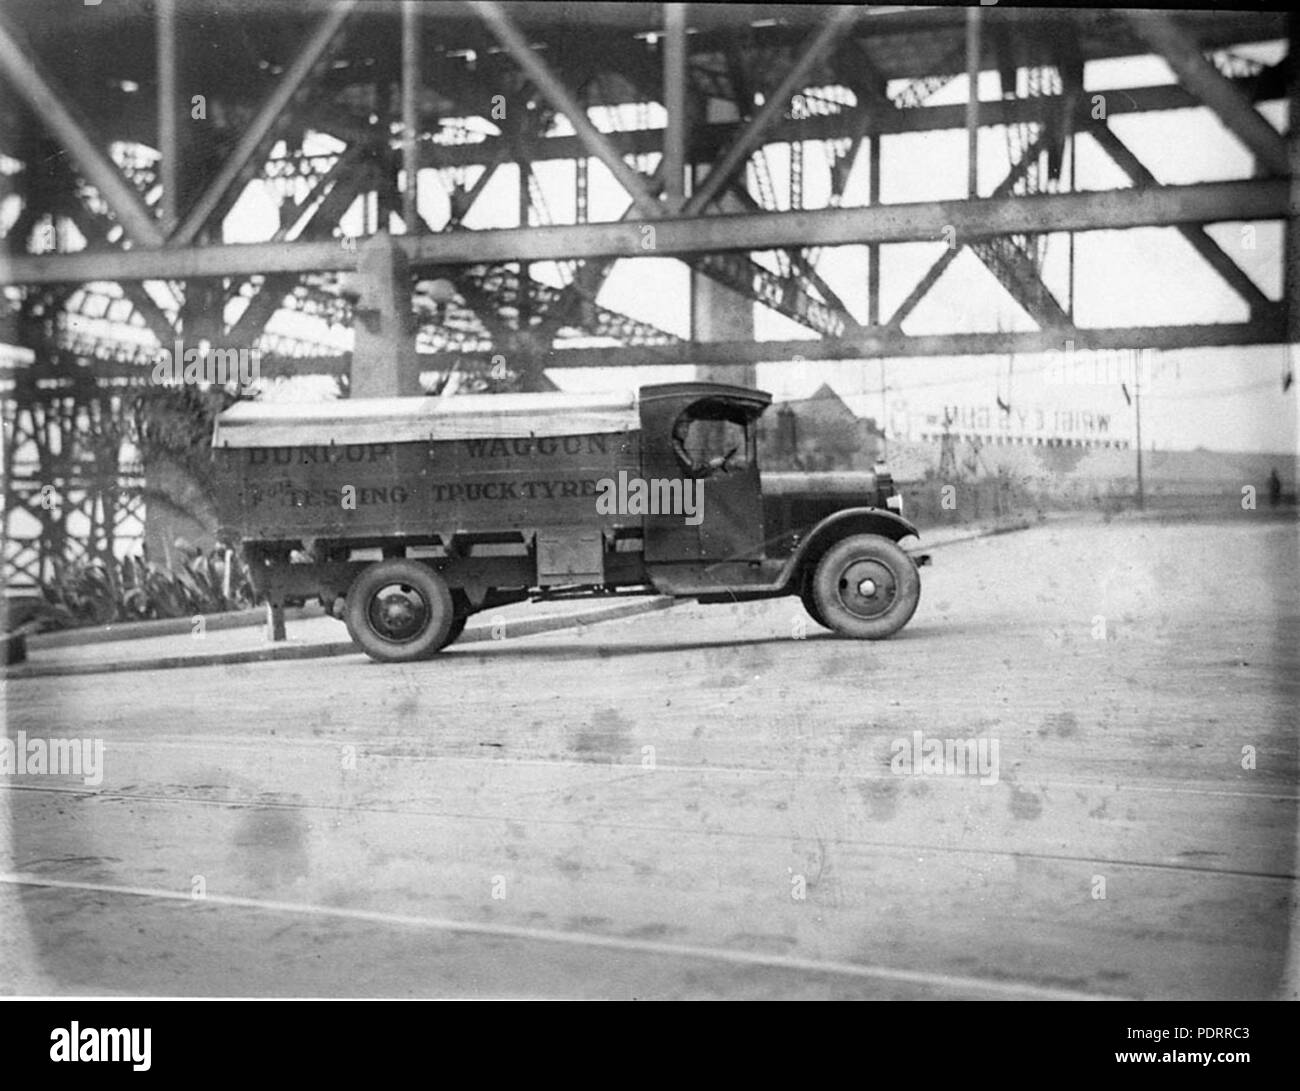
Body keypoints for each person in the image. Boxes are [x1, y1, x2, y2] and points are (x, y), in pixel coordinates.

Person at [671, 415, 737, 478]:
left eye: (687, 426)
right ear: (675, 428)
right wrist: (711, 464)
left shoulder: (679, 445)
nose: (685, 430)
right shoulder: (676, 446)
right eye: (681, 427)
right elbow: (692, 471)